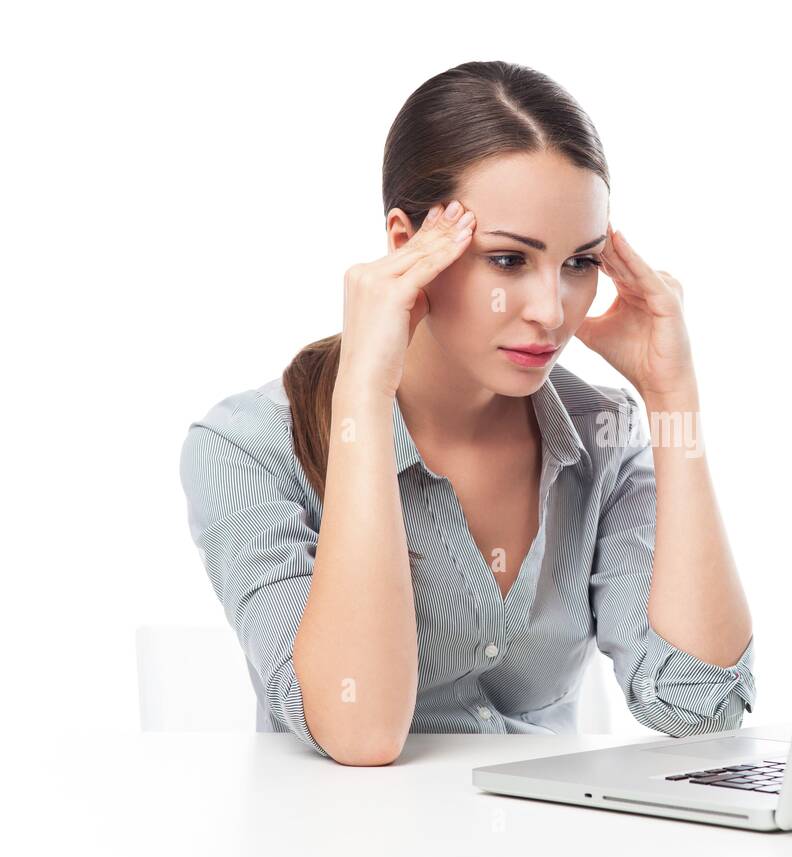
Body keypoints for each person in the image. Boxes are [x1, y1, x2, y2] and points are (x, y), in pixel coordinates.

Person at [179, 61, 754, 766]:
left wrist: (674, 400)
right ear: (406, 245)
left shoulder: (603, 434)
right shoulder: (247, 447)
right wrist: (363, 393)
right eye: (509, 260)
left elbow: (701, 707)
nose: (552, 311)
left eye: (580, 263)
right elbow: (359, 732)